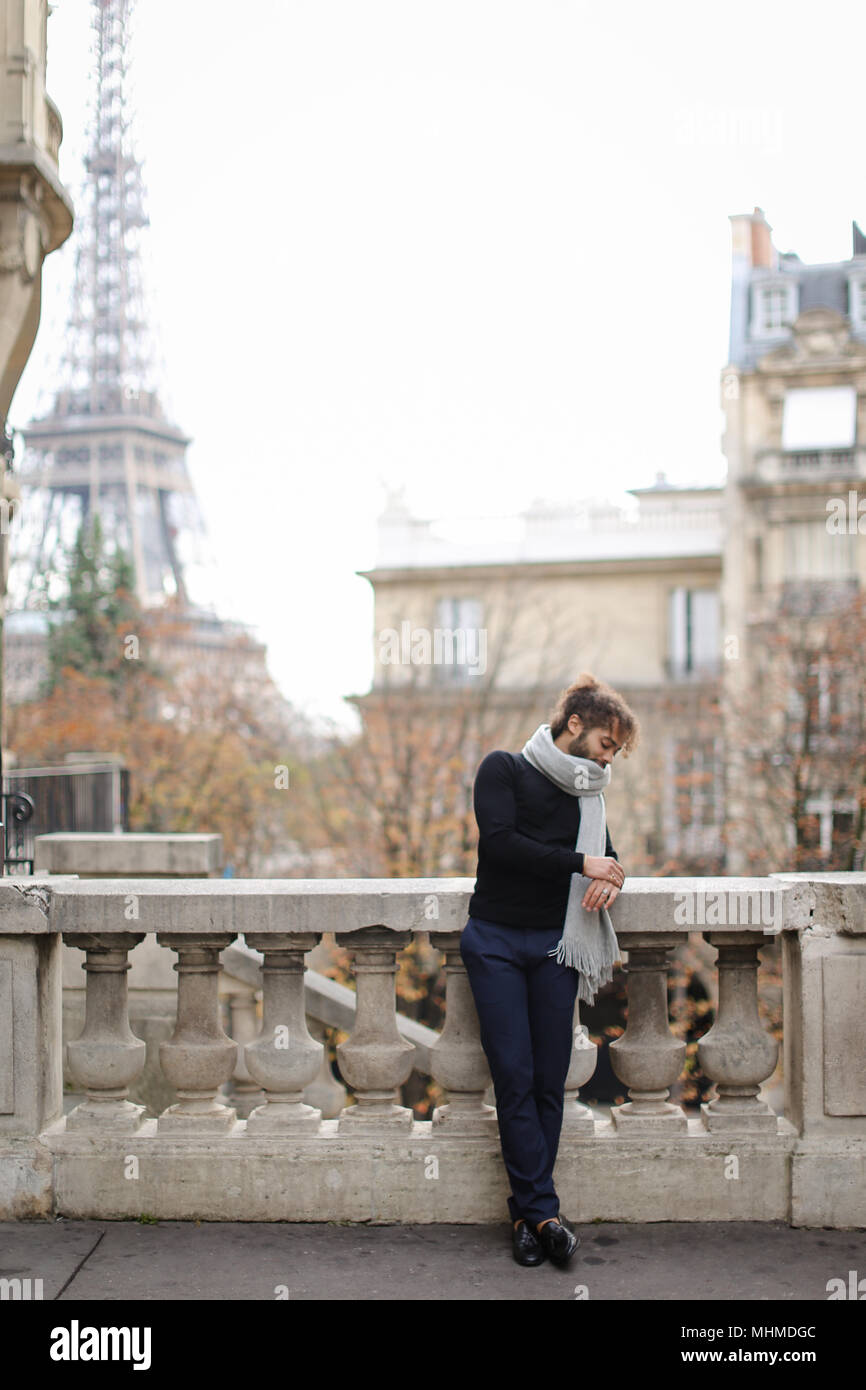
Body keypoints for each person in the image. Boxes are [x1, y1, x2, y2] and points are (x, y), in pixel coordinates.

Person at [461, 672, 639, 1267]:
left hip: (557, 947)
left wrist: (611, 880)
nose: (610, 760)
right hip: (494, 944)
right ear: (575, 726)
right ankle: (545, 1212)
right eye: (608, 746)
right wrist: (583, 863)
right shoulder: (503, 769)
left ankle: (527, 1217)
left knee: (549, 1081)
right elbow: (501, 844)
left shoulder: (590, 795)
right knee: (512, 1076)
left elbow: (606, 860)